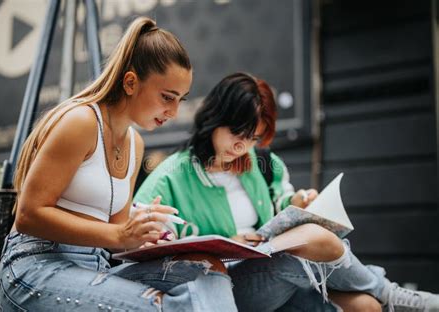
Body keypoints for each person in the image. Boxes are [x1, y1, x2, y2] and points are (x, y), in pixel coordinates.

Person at [134, 72, 439, 312]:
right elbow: (139, 245)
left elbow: (278, 204)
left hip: (273, 275)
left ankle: (383, 295)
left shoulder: (263, 162)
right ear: (214, 120)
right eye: (236, 134)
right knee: (314, 240)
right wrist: (224, 245)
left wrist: (295, 203)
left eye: (253, 138)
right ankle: (389, 292)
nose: (242, 146)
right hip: (222, 285)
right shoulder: (171, 175)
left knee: (366, 307)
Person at [0, 17, 239, 311]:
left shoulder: (135, 143)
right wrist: (121, 234)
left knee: (209, 270)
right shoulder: (81, 121)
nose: (173, 112)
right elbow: (28, 215)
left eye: (180, 100)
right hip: (36, 267)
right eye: (167, 97)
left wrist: (147, 232)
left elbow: (116, 239)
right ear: (130, 82)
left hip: (95, 267)